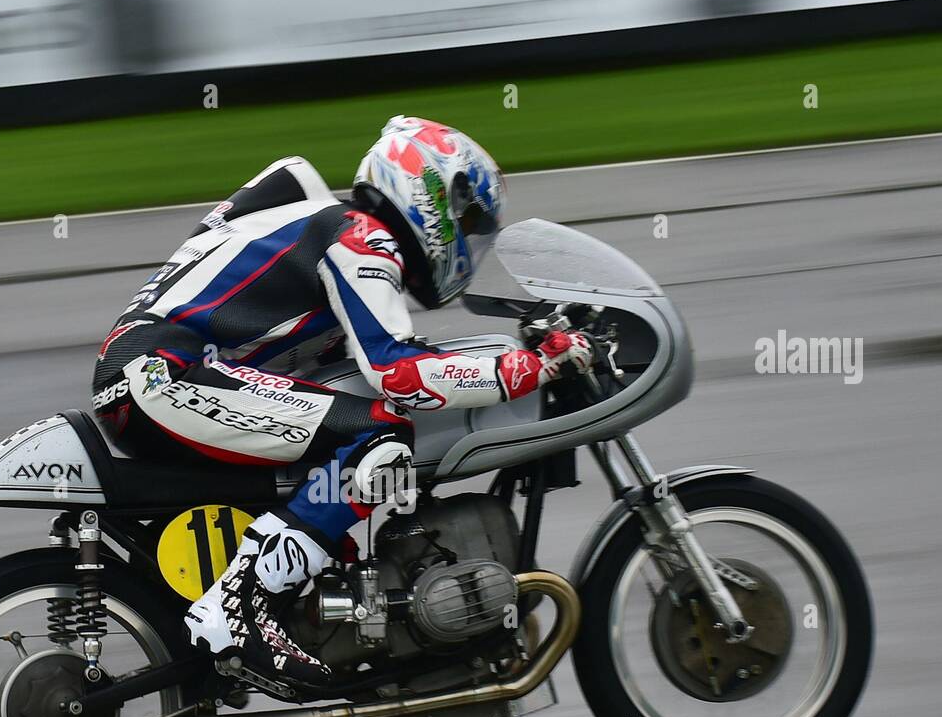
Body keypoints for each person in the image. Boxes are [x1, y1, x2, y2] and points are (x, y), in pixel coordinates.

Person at [91, 116, 592, 688]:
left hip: (157, 375)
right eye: (468, 220)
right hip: (166, 376)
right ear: (432, 194)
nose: (469, 239)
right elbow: (399, 375)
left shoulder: (317, 219)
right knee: (382, 438)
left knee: (345, 431)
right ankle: (239, 605)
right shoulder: (360, 237)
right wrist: (536, 366)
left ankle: (308, 604)